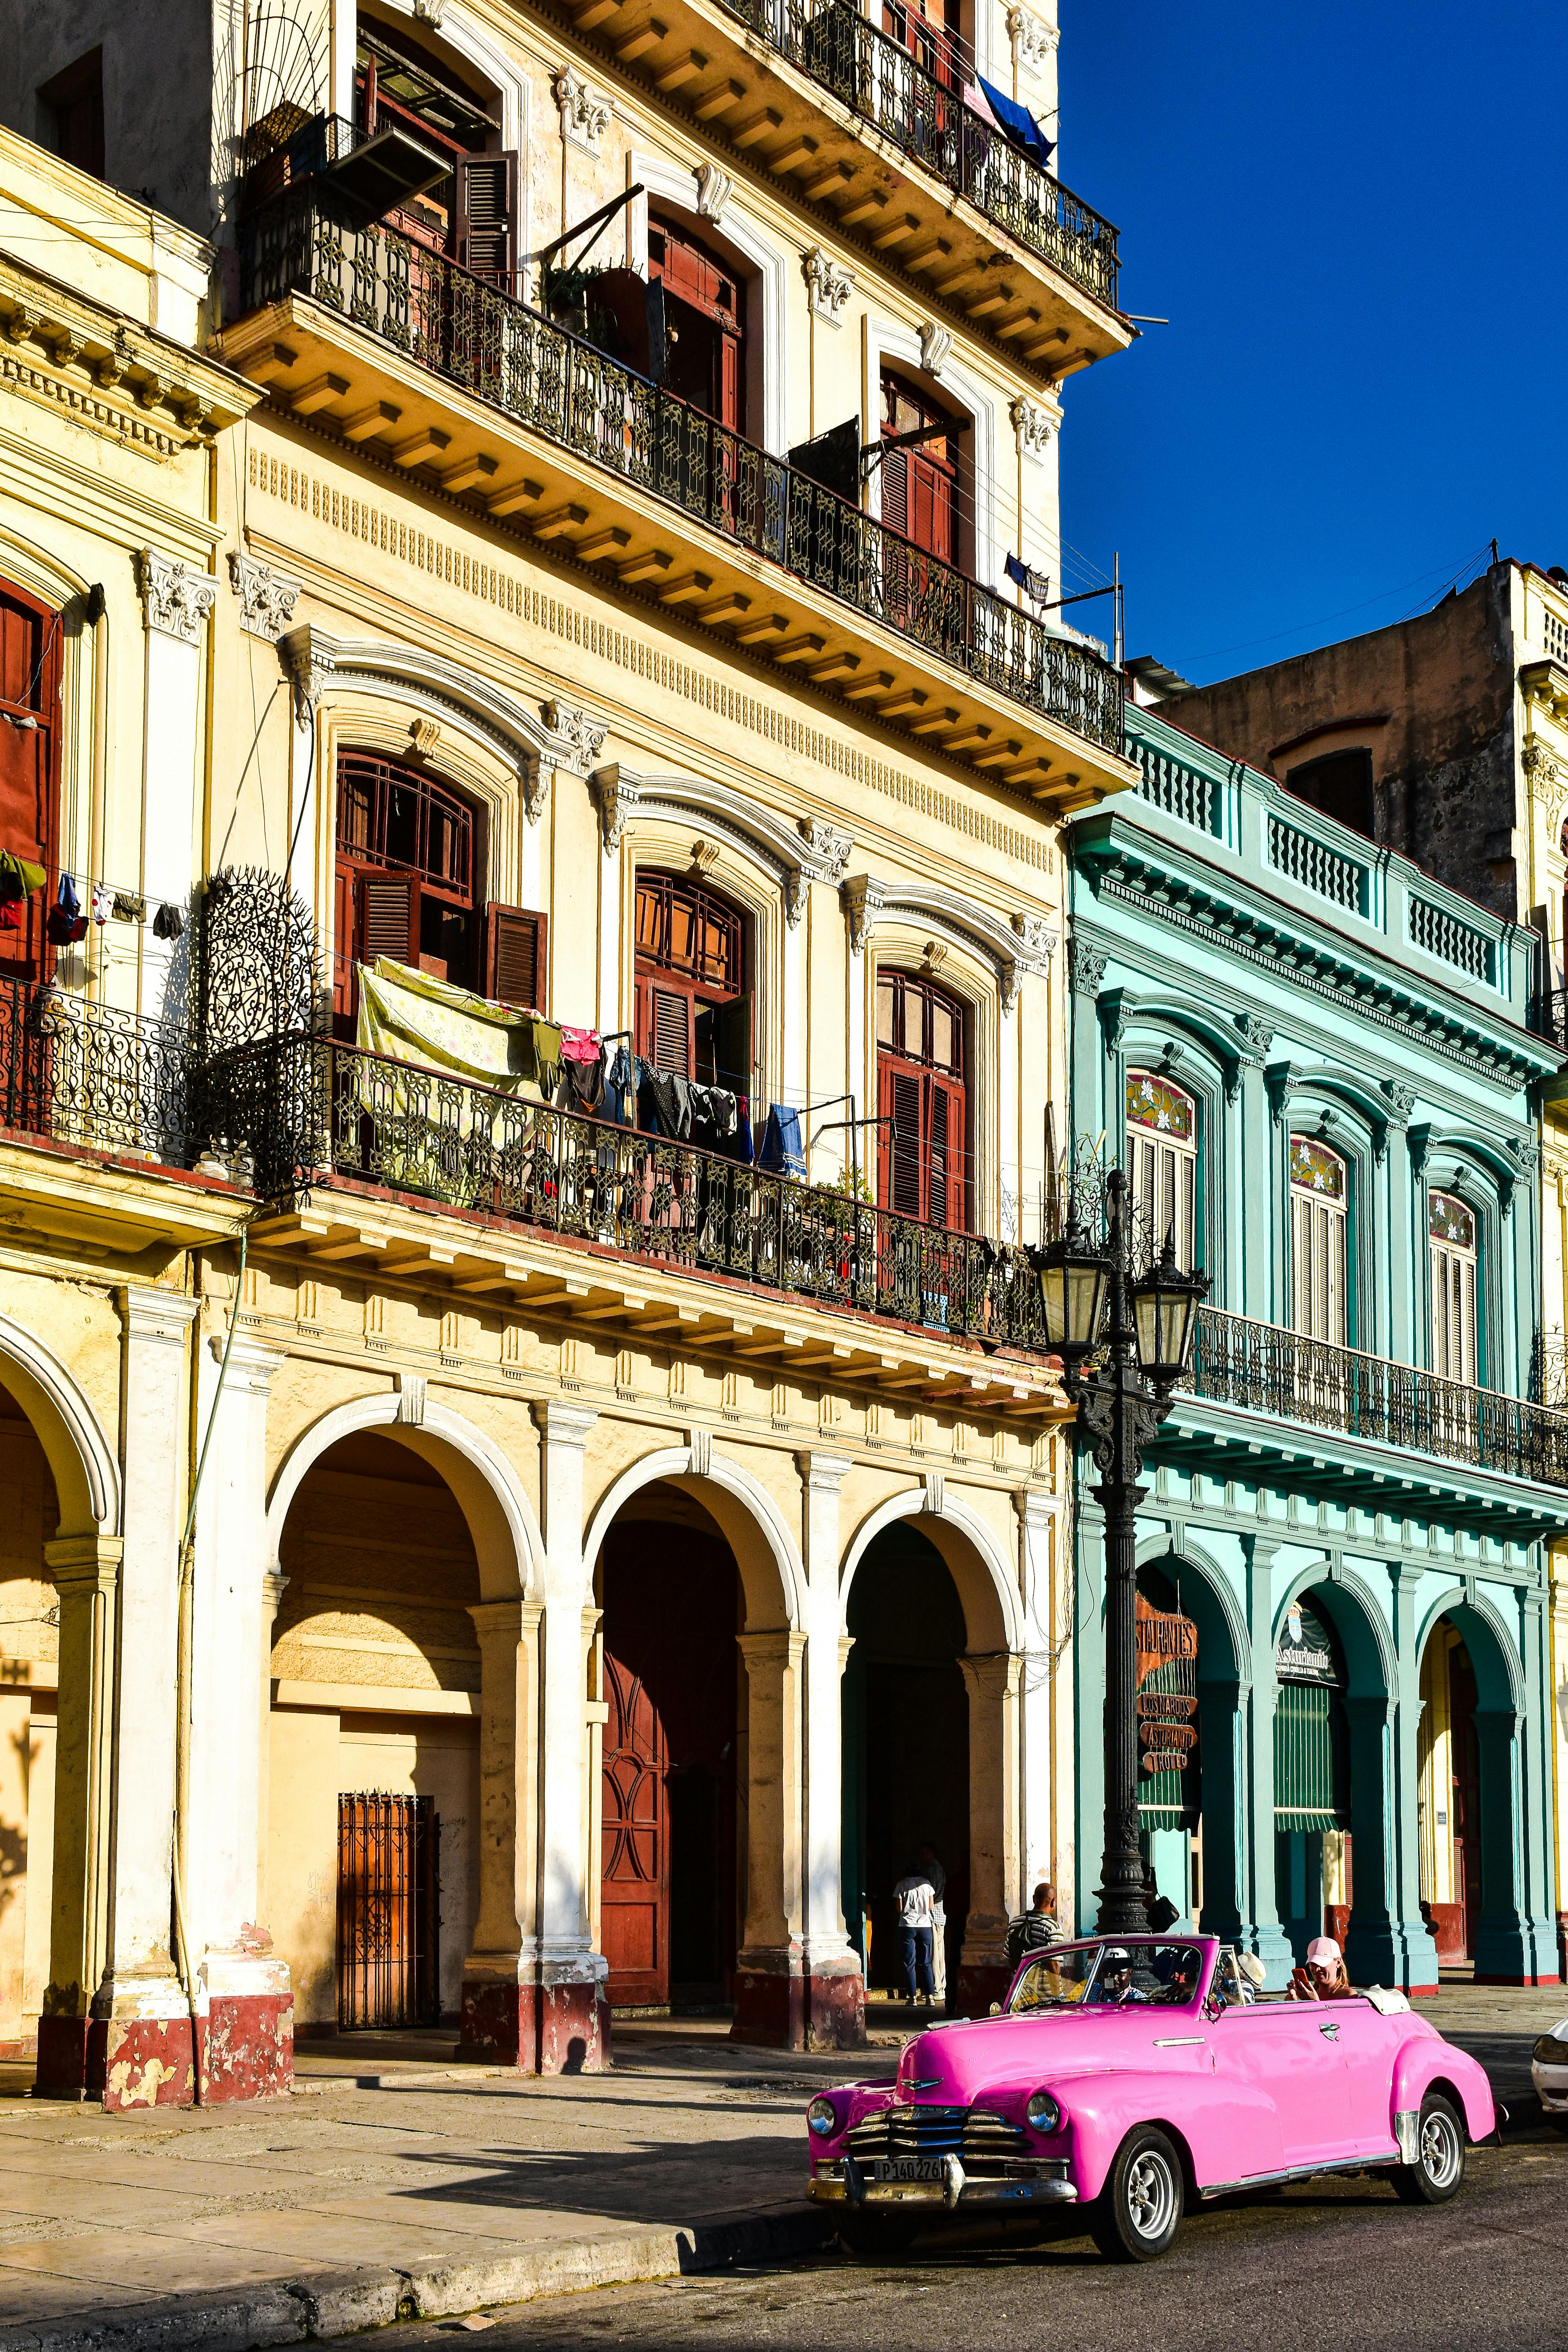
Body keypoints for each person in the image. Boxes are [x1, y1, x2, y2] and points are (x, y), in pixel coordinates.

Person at [892, 1859, 937, 2006]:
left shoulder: (901, 1885)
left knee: (909, 1963)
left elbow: (899, 1909)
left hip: (906, 1926)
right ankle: (930, 1996)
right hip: (925, 1926)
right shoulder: (927, 1884)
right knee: (926, 1962)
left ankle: (912, 1997)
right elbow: (931, 1906)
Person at [917, 1843, 947, 2007]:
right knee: (939, 1953)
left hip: (933, 1915)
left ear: (930, 1853)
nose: (921, 1857)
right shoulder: (939, 1868)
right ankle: (941, 1987)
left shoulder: (931, 1870)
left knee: (934, 1953)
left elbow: (931, 1894)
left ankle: (936, 1989)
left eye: (923, 1853)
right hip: (940, 1915)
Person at [1006, 1882, 1061, 1968]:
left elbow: (1009, 1956)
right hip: (1043, 1981)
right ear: (1053, 1902)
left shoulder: (1015, 1923)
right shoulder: (1053, 1928)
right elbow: (1053, 1963)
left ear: (1033, 1899)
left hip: (1020, 1980)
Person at [1287, 1934, 1357, 2001]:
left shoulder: (1349, 1996)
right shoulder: (1305, 1995)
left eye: (1322, 1964)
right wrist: (1294, 2001)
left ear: (1338, 1963)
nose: (1317, 1969)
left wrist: (1314, 2003)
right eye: (1313, 1963)